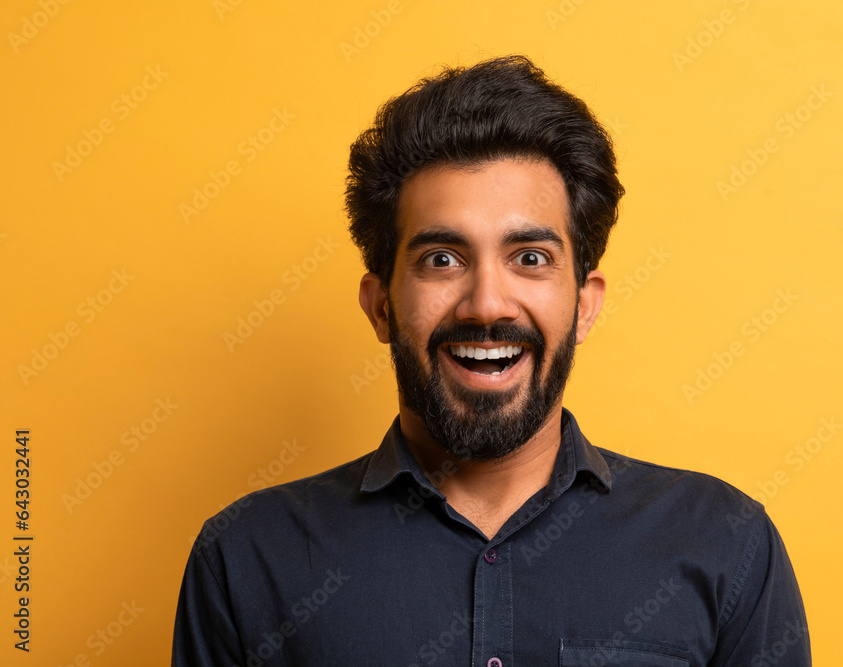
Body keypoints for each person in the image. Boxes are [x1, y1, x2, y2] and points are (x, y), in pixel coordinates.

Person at [172, 55, 810, 666]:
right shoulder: (246, 559)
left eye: (529, 258)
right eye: (441, 259)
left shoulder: (727, 545)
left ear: (584, 305)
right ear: (381, 307)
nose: (485, 304)